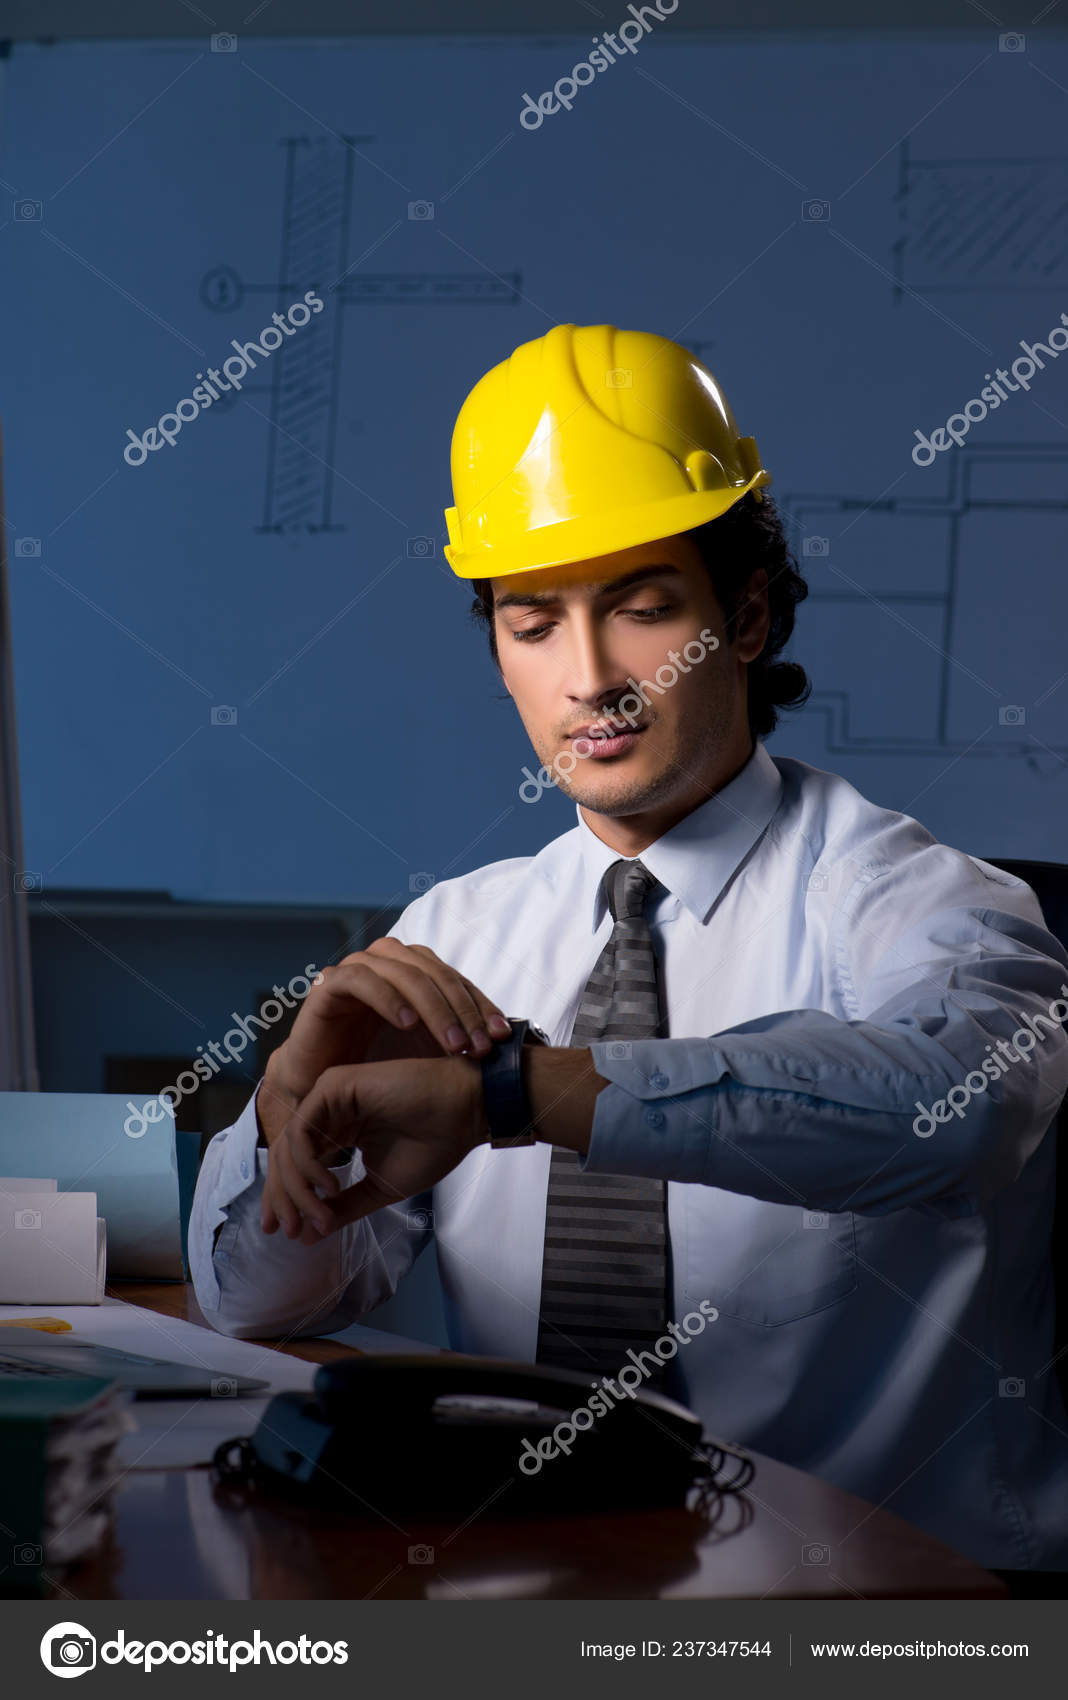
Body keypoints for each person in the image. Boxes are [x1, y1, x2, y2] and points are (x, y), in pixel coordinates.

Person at [189, 323, 1068, 1572]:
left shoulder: (929, 901)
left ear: (748, 614)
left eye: (644, 608)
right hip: (539, 1584)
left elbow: (952, 1106)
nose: (590, 676)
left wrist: (517, 1093)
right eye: (533, 621)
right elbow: (251, 1303)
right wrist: (290, 1126)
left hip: (877, 1608)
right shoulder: (456, 934)